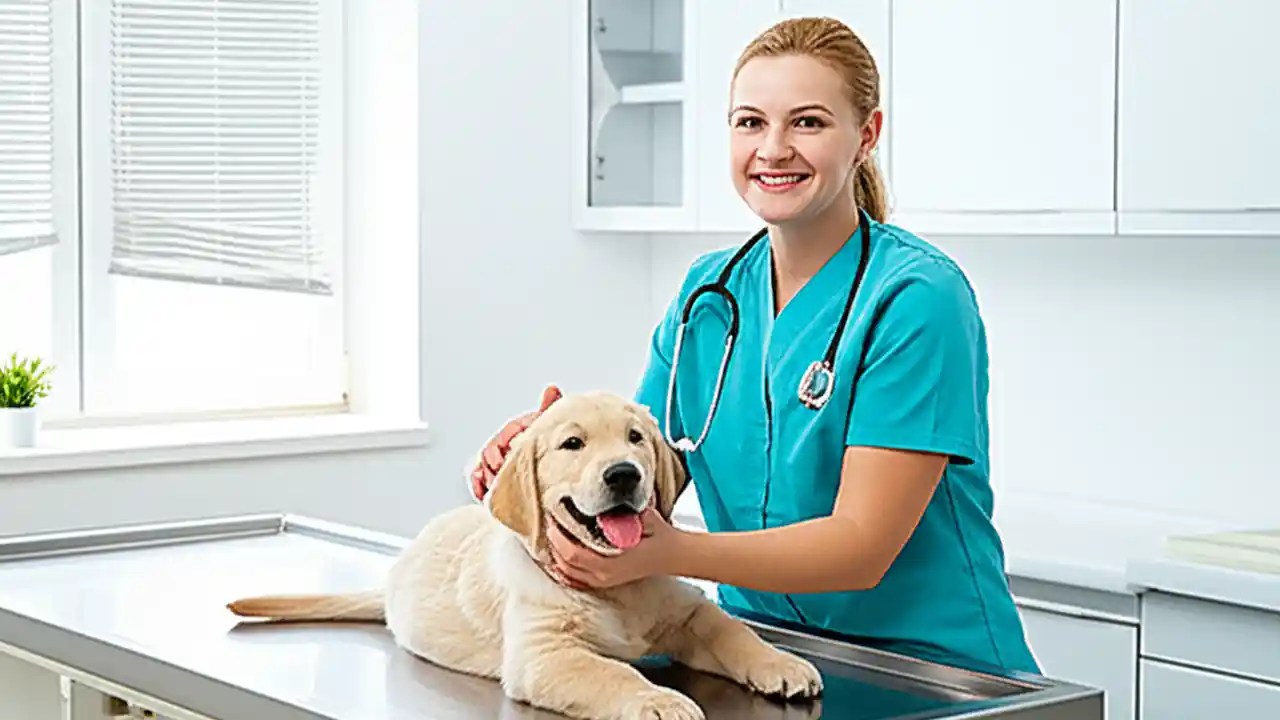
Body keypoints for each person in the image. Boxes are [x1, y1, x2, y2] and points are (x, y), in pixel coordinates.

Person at [469, 16, 1039, 676]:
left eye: (808, 122)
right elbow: (644, 463)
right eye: (750, 122)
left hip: (932, 672)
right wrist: (547, 451)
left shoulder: (917, 298)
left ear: (867, 135)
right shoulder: (707, 297)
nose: (773, 148)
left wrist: (670, 553)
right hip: (764, 653)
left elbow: (862, 546)